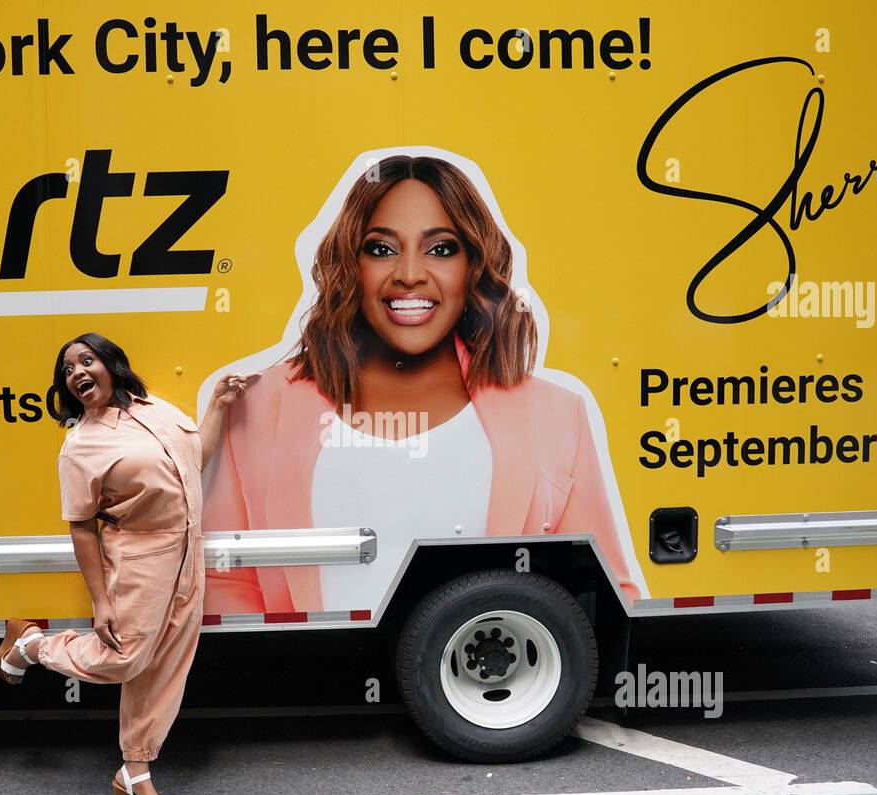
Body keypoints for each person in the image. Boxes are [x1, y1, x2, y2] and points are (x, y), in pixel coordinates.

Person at [202, 154, 641, 615]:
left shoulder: (556, 414)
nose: (409, 273)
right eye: (381, 248)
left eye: (441, 249)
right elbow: (224, 579)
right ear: (351, 264)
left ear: (474, 263)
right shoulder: (260, 403)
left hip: (482, 681)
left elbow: (600, 592)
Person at [0, 332, 251, 795]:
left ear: (111, 364)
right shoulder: (80, 446)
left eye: (86, 361)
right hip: (139, 557)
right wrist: (100, 601)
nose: (78, 373)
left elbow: (194, 462)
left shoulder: (156, 409)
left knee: (165, 665)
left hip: (187, 552)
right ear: (66, 388)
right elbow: (81, 527)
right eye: (68, 370)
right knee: (125, 657)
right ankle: (30, 646)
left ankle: (136, 774)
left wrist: (219, 404)